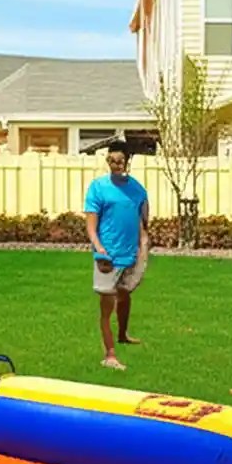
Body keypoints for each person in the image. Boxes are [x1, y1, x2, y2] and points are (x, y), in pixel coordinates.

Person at [83, 142, 149, 371]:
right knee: (106, 305)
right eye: (111, 161)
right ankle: (109, 354)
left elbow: (143, 223)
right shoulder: (98, 188)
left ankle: (122, 335)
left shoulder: (138, 190)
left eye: (119, 161)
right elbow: (91, 225)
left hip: (129, 255)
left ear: (127, 161)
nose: (115, 165)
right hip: (107, 257)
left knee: (125, 294)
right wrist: (99, 247)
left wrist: (144, 248)